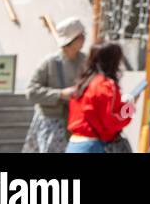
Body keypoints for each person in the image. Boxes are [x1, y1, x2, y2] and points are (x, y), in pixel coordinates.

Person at [23, 17, 88, 153]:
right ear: (71, 40)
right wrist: (60, 95)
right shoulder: (49, 63)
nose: (84, 39)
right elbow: (31, 91)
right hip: (50, 122)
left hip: (76, 123)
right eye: (80, 36)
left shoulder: (86, 62)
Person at [66, 42, 133, 153]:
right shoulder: (106, 85)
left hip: (74, 144)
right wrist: (129, 107)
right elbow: (112, 122)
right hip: (93, 146)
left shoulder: (84, 83)